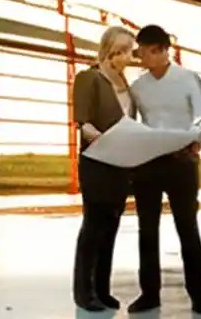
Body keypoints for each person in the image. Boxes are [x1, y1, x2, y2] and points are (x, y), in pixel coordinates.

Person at [127, 24, 201, 315]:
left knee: (187, 229)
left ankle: (199, 296)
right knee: (147, 230)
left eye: (145, 52)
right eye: (140, 52)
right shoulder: (138, 87)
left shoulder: (188, 79)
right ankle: (149, 295)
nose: (141, 57)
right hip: (149, 162)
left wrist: (196, 142)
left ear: (162, 50)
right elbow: (132, 121)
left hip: (181, 162)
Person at [71, 25, 138, 312]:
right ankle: (83, 293)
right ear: (108, 49)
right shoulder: (89, 78)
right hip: (97, 162)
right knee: (93, 227)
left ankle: (102, 289)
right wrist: (102, 139)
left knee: (111, 226)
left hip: (120, 164)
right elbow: (83, 124)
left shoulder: (127, 87)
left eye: (129, 51)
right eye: (121, 50)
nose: (126, 57)